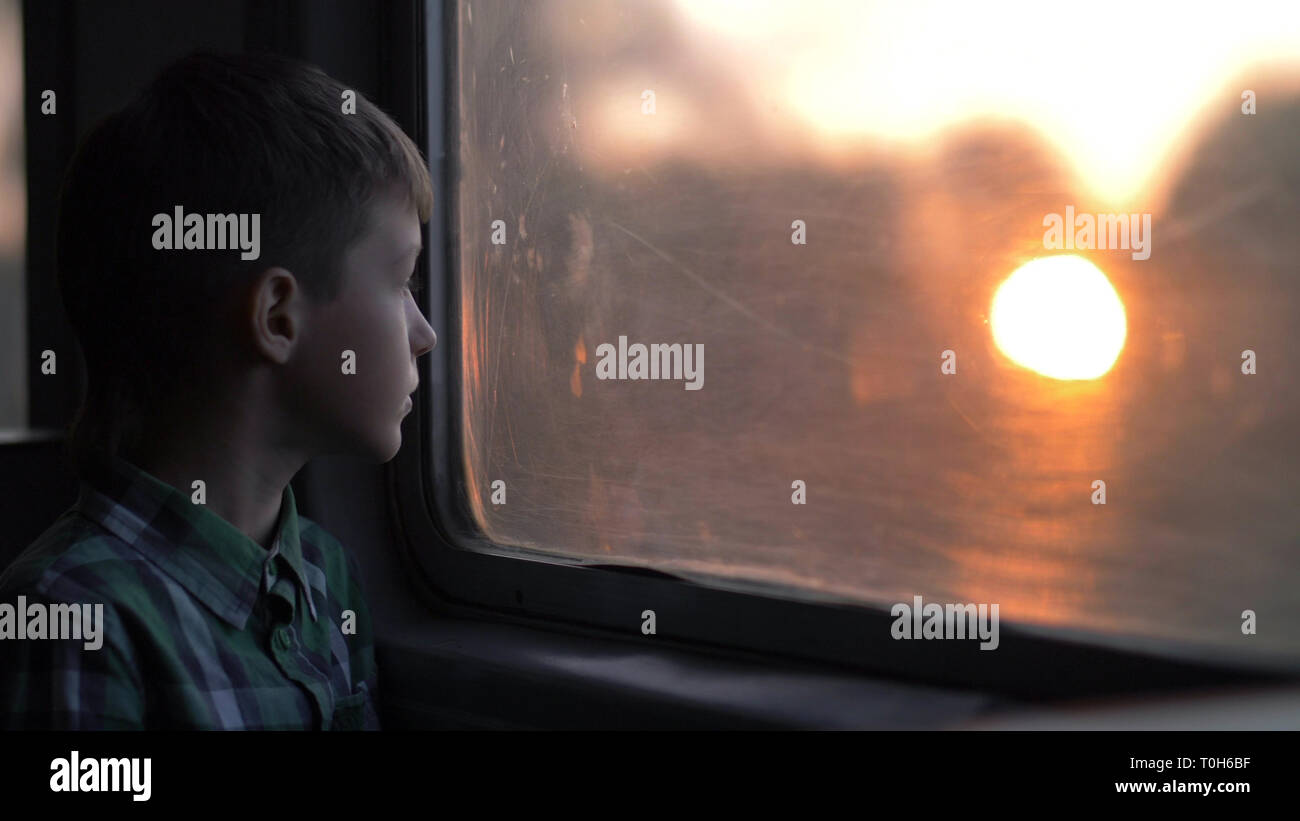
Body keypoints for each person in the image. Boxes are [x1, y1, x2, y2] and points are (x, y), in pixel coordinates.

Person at [0, 51, 437, 729]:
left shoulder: (325, 576)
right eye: (400, 281)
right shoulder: (76, 618)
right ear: (278, 318)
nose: (424, 331)